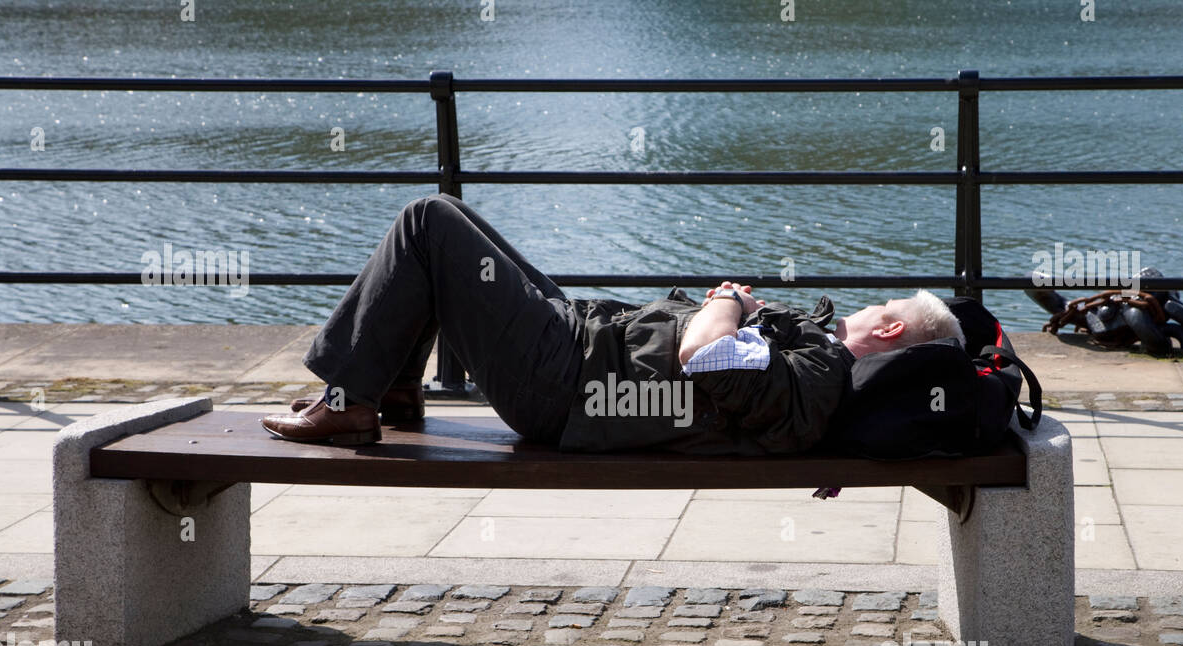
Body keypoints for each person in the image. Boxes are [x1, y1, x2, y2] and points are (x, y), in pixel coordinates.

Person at [260, 194, 964, 454]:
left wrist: (729, 299)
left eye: (883, 307)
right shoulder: (822, 373)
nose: (870, 306)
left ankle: (351, 404)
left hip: (566, 385)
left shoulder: (820, 372)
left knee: (428, 224)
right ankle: (392, 391)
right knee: (457, 218)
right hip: (581, 353)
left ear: (893, 331)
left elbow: (704, 355)